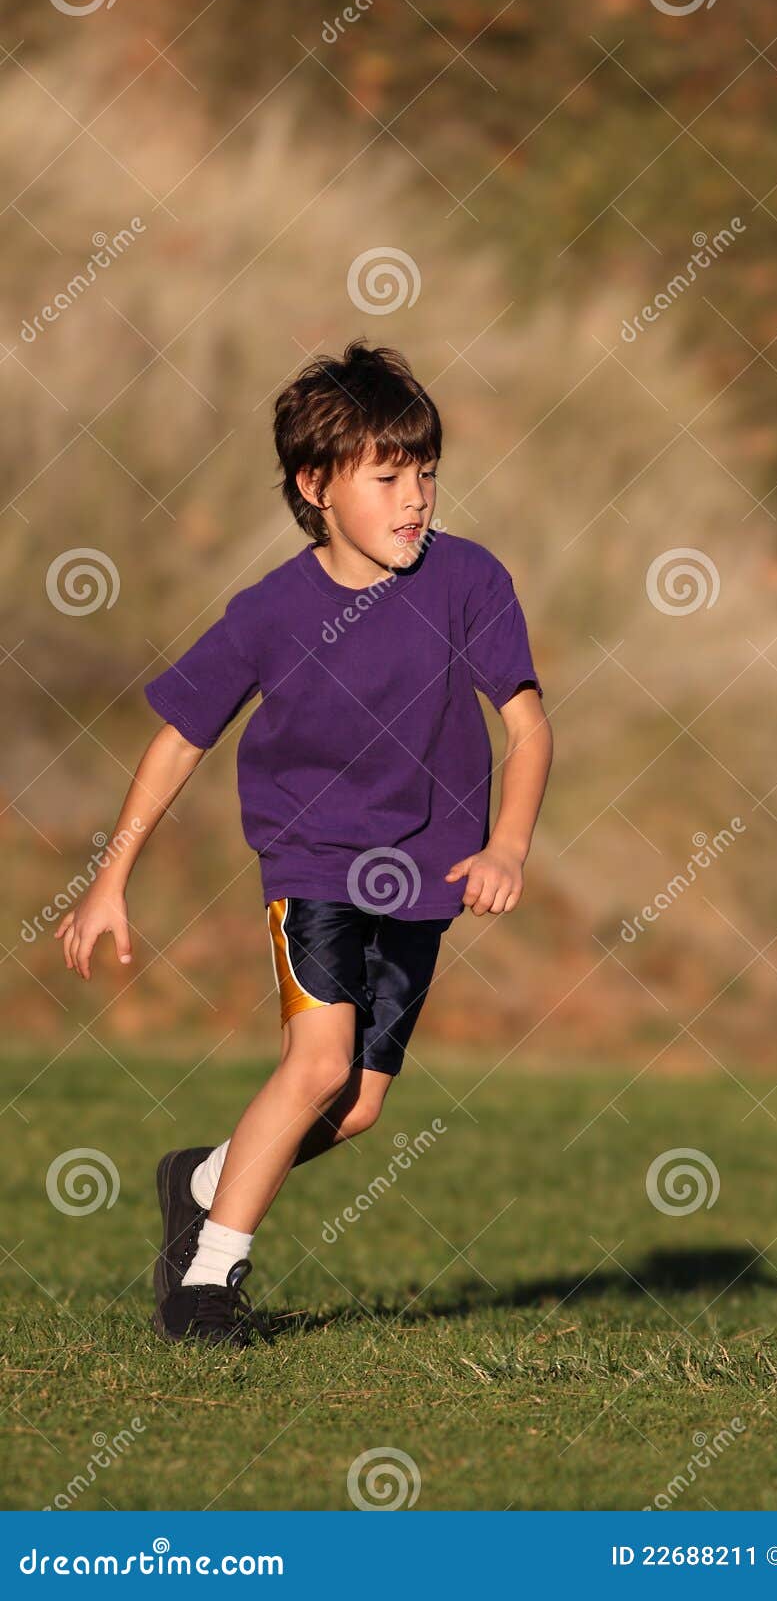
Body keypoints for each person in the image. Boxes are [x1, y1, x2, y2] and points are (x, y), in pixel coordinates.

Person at [53, 338, 552, 1349]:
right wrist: (110, 881)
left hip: (426, 875)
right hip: (314, 860)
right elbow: (178, 738)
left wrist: (506, 845)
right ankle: (207, 1282)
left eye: (424, 473)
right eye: (387, 476)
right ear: (314, 484)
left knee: (357, 1106)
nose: (414, 497)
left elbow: (528, 723)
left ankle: (200, 1178)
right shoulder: (269, 614)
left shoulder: (469, 580)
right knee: (317, 1066)